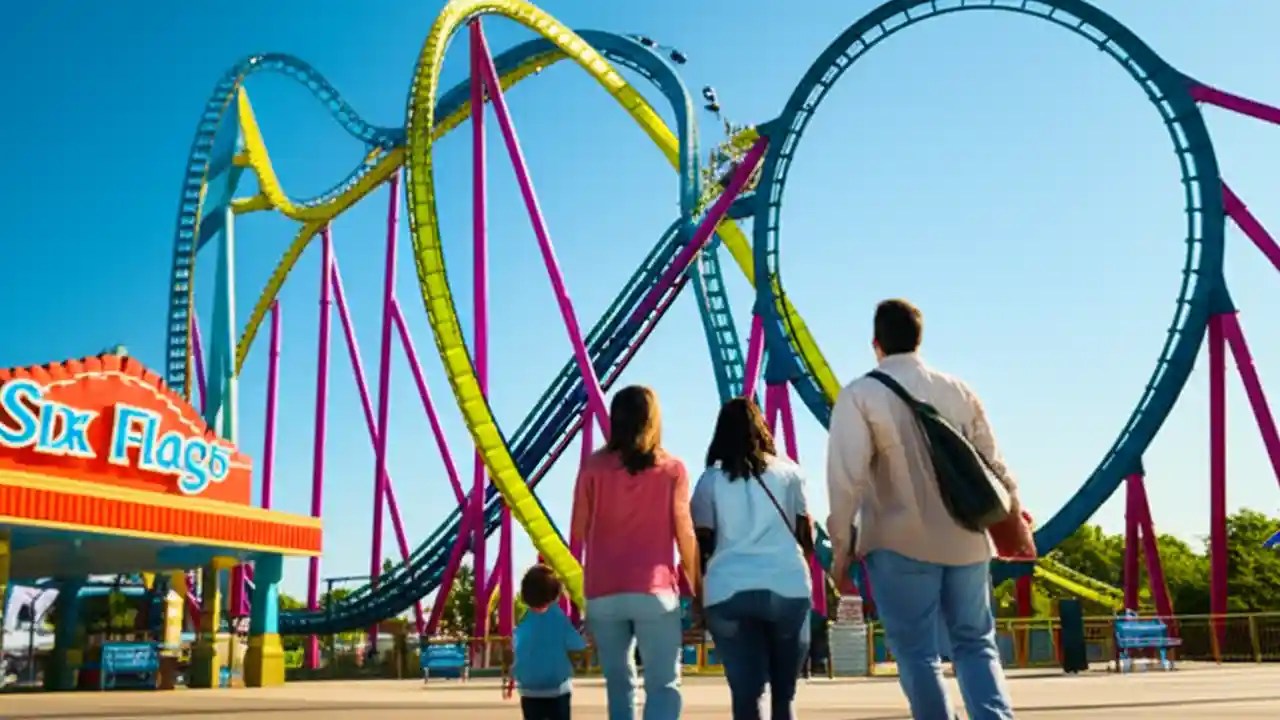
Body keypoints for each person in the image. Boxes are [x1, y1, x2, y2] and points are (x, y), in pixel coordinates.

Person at [826, 298, 1017, 720]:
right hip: (967, 540)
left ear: (875, 343)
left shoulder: (860, 394)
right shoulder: (958, 390)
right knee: (975, 643)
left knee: (917, 653)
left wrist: (841, 551)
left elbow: (847, 480)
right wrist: (1015, 519)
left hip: (899, 542)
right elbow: (995, 465)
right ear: (919, 339)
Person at [570, 385, 701, 720]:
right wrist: (698, 585)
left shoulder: (593, 467)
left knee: (619, 684)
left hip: (603, 591)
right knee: (664, 683)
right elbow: (684, 533)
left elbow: (577, 531)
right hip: (654, 589)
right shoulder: (672, 469)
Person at [691, 397, 814, 720]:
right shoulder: (791, 474)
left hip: (728, 588)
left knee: (747, 694)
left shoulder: (710, 480)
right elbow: (807, 536)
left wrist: (698, 594)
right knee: (784, 694)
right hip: (787, 585)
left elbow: (701, 542)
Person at [512, 565, 586, 720]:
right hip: (557, 689)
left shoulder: (524, 621)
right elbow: (577, 644)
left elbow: (517, 647)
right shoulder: (559, 620)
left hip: (529, 690)